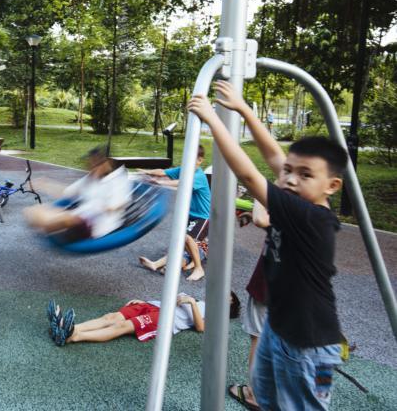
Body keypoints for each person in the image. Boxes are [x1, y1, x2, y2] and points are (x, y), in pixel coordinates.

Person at [189, 80, 347, 410]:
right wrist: (244, 109)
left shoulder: (308, 216)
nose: (289, 179)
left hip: (309, 343)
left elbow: (249, 177)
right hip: (279, 327)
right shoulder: (299, 195)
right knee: (265, 395)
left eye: (305, 174)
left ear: (331, 186)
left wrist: (214, 121)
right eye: (288, 171)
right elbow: (275, 155)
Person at [47, 292, 240, 346]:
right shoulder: (200, 300)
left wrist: (191, 303)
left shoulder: (211, 314)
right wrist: (145, 301)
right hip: (153, 306)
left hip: (164, 319)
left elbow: (201, 327)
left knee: (122, 326)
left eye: (226, 299)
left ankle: (74, 335)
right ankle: (65, 326)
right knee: (111, 316)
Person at [24, 146, 132, 243]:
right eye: (90, 165)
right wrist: (45, 184)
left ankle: (49, 226)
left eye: (95, 164)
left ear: (106, 163)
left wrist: (106, 208)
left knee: (63, 219)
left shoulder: (118, 181)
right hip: (81, 216)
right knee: (34, 211)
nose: (91, 168)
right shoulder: (92, 177)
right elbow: (67, 192)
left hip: (98, 225)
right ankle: (48, 225)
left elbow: (119, 203)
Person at [137, 145, 211, 281]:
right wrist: (147, 172)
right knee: (179, 244)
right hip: (191, 216)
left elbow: (181, 183)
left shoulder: (198, 176)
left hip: (203, 217)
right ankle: (155, 264)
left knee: (187, 238)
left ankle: (199, 269)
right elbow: (163, 172)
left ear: (199, 160)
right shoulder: (185, 170)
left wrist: (158, 182)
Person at [229, 200, 270, 411]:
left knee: (259, 337)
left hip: (269, 286)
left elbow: (261, 218)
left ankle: (255, 395)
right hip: (295, 290)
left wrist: (258, 200)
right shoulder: (314, 210)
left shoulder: (291, 204)